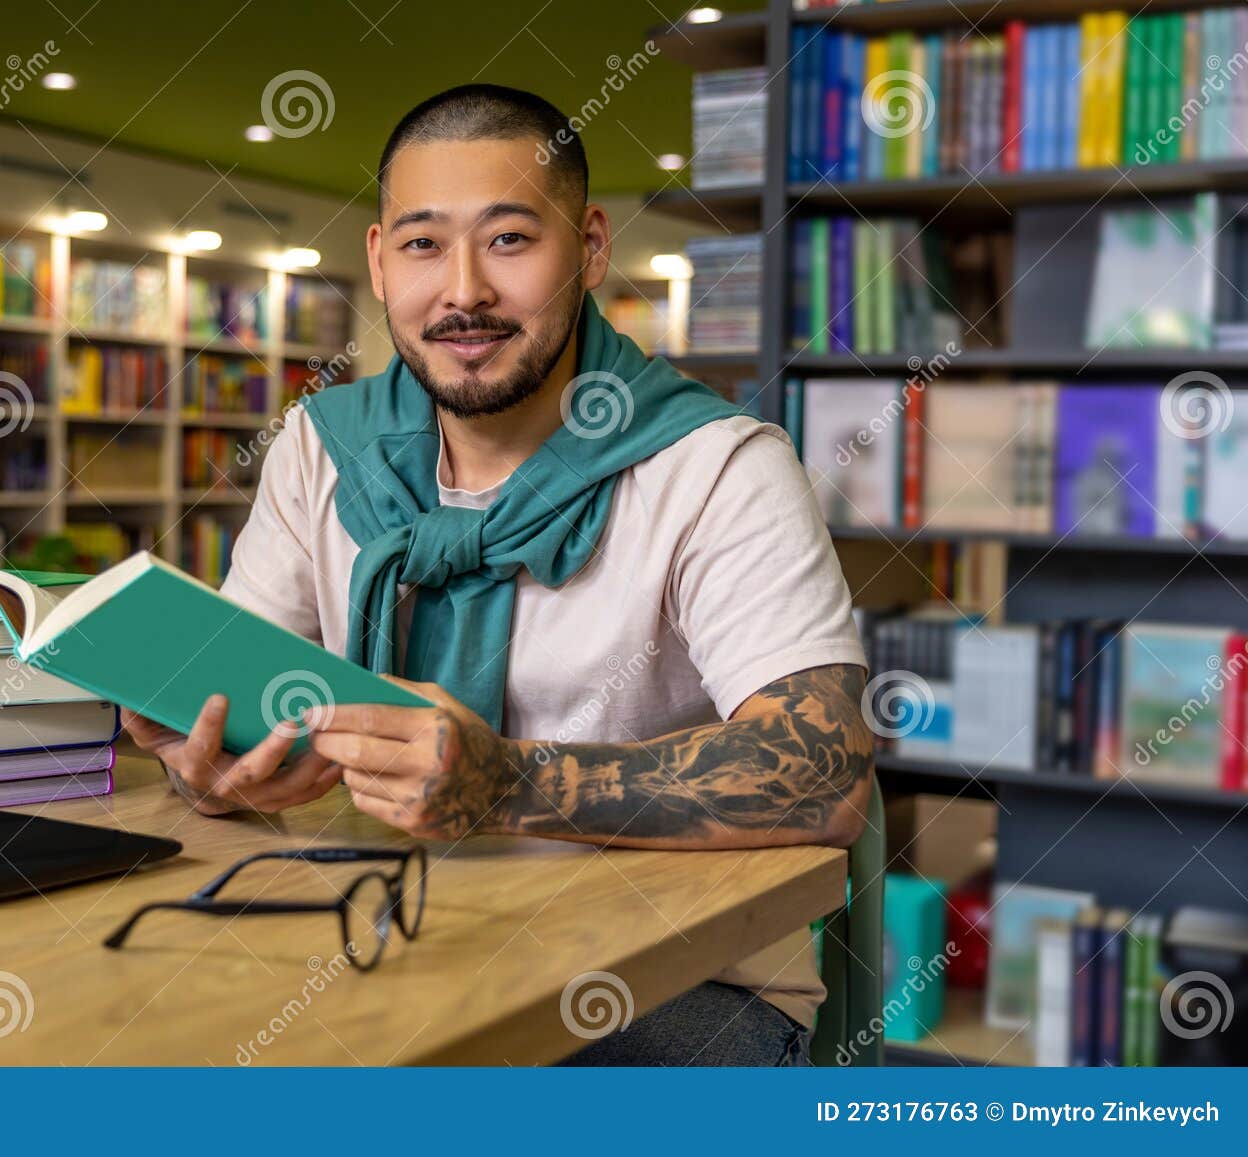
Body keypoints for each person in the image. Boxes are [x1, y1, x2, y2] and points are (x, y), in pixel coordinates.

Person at [126, 84, 872, 1066]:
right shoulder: (320, 444)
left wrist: (508, 783)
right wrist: (216, 765)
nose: (463, 291)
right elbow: (245, 696)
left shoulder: (716, 463)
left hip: (665, 983)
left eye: (511, 239)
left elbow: (822, 776)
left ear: (591, 248)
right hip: (380, 931)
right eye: (424, 243)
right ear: (379, 260)